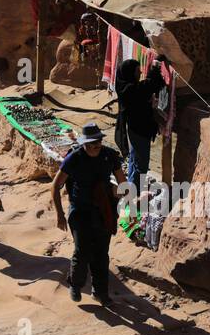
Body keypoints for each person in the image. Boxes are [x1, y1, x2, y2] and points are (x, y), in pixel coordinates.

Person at [51, 122, 127, 306]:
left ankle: (100, 292)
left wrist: (118, 192)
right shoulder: (74, 158)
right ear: (84, 143)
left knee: (101, 253)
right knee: (82, 250)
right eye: (91, 144)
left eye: (98, 143)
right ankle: (75, 285)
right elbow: (55, 185)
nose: (95, 147)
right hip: (80, 210)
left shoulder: (110, 156)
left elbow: (122, 183)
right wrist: (60, 214)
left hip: (103, 210)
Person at [114, 57, 165, 203]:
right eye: (137, 70)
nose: (140, 72)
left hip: (137, 129)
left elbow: (147, 86)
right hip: (139, 130)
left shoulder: (127, 86)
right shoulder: (128, 90)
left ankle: (132, 189)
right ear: (130, 72)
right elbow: (149, 85)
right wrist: (155, 67)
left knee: (135, 160)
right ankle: (134, 196)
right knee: (141, 163)